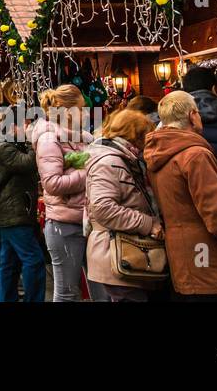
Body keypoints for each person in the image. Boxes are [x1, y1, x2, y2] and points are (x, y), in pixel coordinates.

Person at [145, 90, 217, 300]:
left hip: (183, 254)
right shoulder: (195, 155)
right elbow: (216, 213)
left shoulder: (158, 154)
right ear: (193, 116)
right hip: (209, 256)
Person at [84, 109, 163, 302]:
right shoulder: (109, 161)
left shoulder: (123, 158)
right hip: (113, 251)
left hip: (125, 251)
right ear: (136, 136)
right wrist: (148, 223)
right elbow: (103, 208)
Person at [31, 84, 91, 302]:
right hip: (65, 224)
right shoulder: (49, 138)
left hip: (86, 220)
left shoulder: (81, 137)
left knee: (98, 291)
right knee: (67, 293)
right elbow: (52, 183)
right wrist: (91, 172)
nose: (85, 114)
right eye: (81, 109)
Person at [0, 110, 45, 302]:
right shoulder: (4, 148)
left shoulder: (4, 144)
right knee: (34, 260)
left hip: (9, 210)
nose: (27, 128)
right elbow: (28, 163)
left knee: (8, 262)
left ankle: (6, 298)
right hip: (13, 210)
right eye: (24, 124)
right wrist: (31, 143)